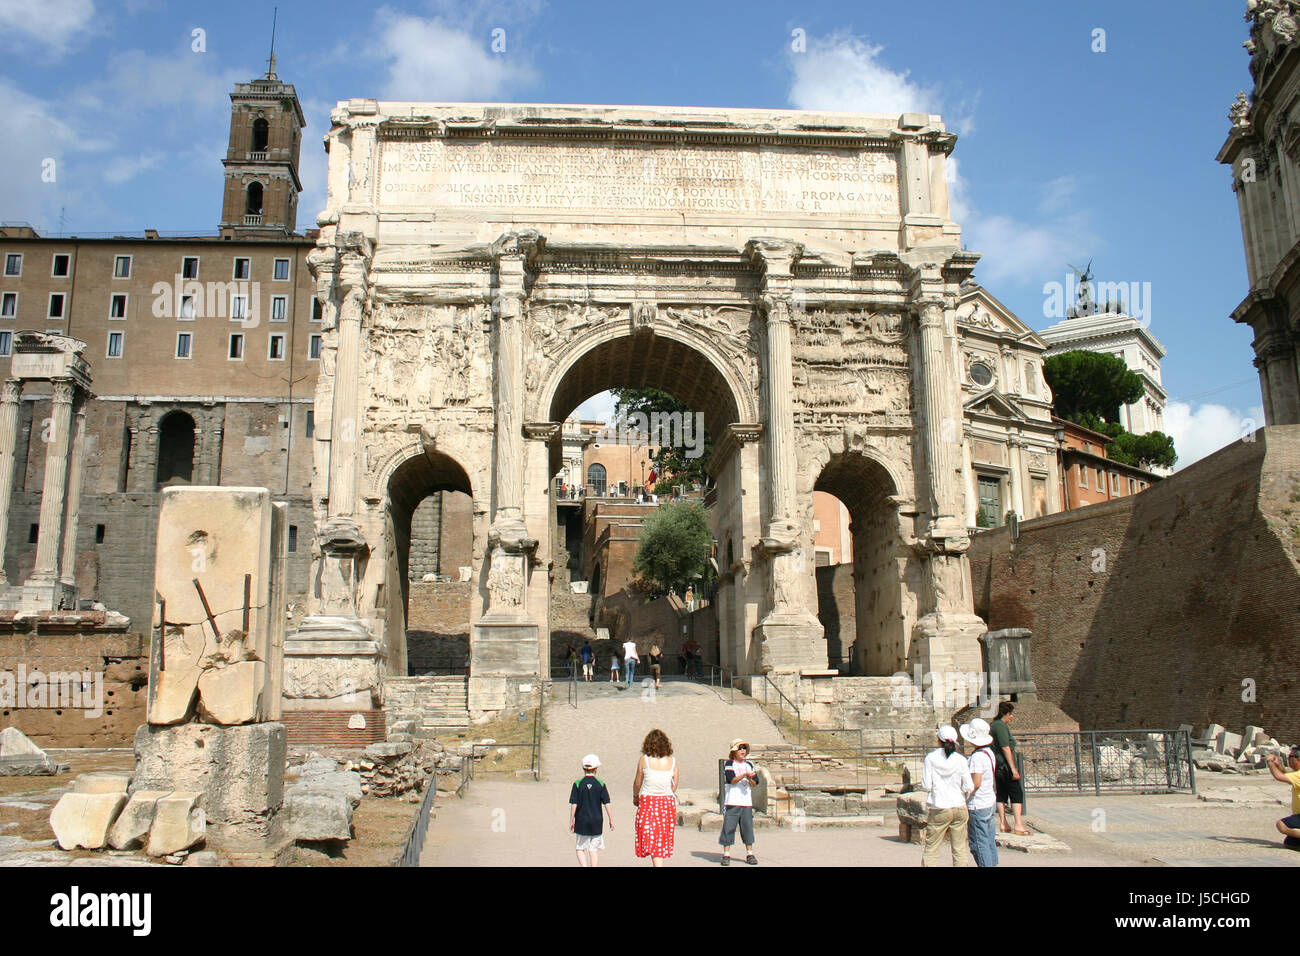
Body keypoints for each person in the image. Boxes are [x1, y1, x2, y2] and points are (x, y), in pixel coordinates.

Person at [922, 725, 974, 867]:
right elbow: (969, 786)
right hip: (959, 805)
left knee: (931, 849)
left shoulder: (930, 758)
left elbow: (926, 785)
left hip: (940, 806)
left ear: (938, 740)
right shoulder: (961, 759)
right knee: (959, 849)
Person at [633, 729, 678, 866]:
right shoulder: (673, 762)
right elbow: (674, 786)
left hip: (648, 801)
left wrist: (635, 796)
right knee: (660, 839)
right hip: (667, 802)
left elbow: (637, 783)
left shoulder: (644, 760)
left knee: (650, 838)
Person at [961, 719, 999, 867]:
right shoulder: (989, 752)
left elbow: (975, 783)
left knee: (979, 844)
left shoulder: (977, 757)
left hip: (978, 804)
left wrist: (964, 795)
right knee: (989, 841)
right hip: (989, 801)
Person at [569, 753, 614, 867]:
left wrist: (571, 820)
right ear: (596, 768)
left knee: (580, 848)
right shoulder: (601, 784)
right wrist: (611, 819)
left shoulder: (578, 784)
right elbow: (606, 803)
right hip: (597, 820)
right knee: (593, 850)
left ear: (583, 767)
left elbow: (574, 803)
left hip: (581, 820)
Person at [719, 739, 759, 865]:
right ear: (734, 751)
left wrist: (750, 778)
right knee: (728, 828)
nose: (743, 751)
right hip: (733, 801)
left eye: (744, 748)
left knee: (747, 828)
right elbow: (731, 780)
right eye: (740, 748)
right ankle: (726, 854)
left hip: (746, 802)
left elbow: (754, 783)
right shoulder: (730, 764)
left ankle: (750, 853)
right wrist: (744, 775)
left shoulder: (749, 765)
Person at [991, 702, 1028, 835]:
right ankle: (1018, 824)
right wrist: (1013, 769)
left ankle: (1003, 823)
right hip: (1005, 766)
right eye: (1010, 714)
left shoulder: (994, 726)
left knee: (1001, 794)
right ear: (1004, 714)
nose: (1012, 717)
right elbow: (1005, 747)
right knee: (1016, 793)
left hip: (998, 766)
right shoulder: (1000, 726)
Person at [1266, 745, 1300, 850]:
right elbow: (1288, 776)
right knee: (1289, 843)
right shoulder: (1297, 775)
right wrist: (1279, 766)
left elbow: (1279, 777)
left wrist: (1270, 762)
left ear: (1298, 759)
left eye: (1291, 756)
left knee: (1282, 824)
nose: (1289, 759)